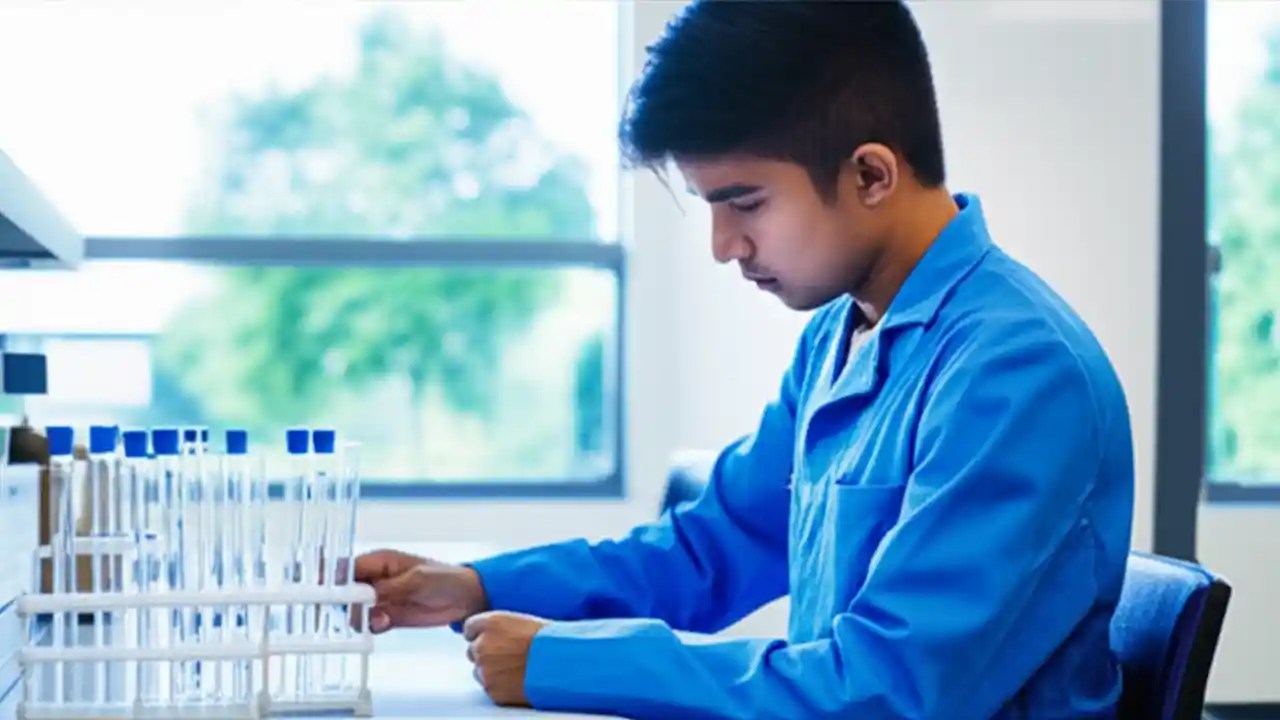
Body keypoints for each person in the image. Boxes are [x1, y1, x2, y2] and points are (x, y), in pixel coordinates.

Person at [353, 2, 1135, 718]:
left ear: (870, 174)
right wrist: (478, 587)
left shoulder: (1020, 372)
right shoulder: (841, 335)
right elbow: (710, 548)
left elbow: (888, 690)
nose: (725, 247)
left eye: (745, 203)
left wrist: (565, 659)